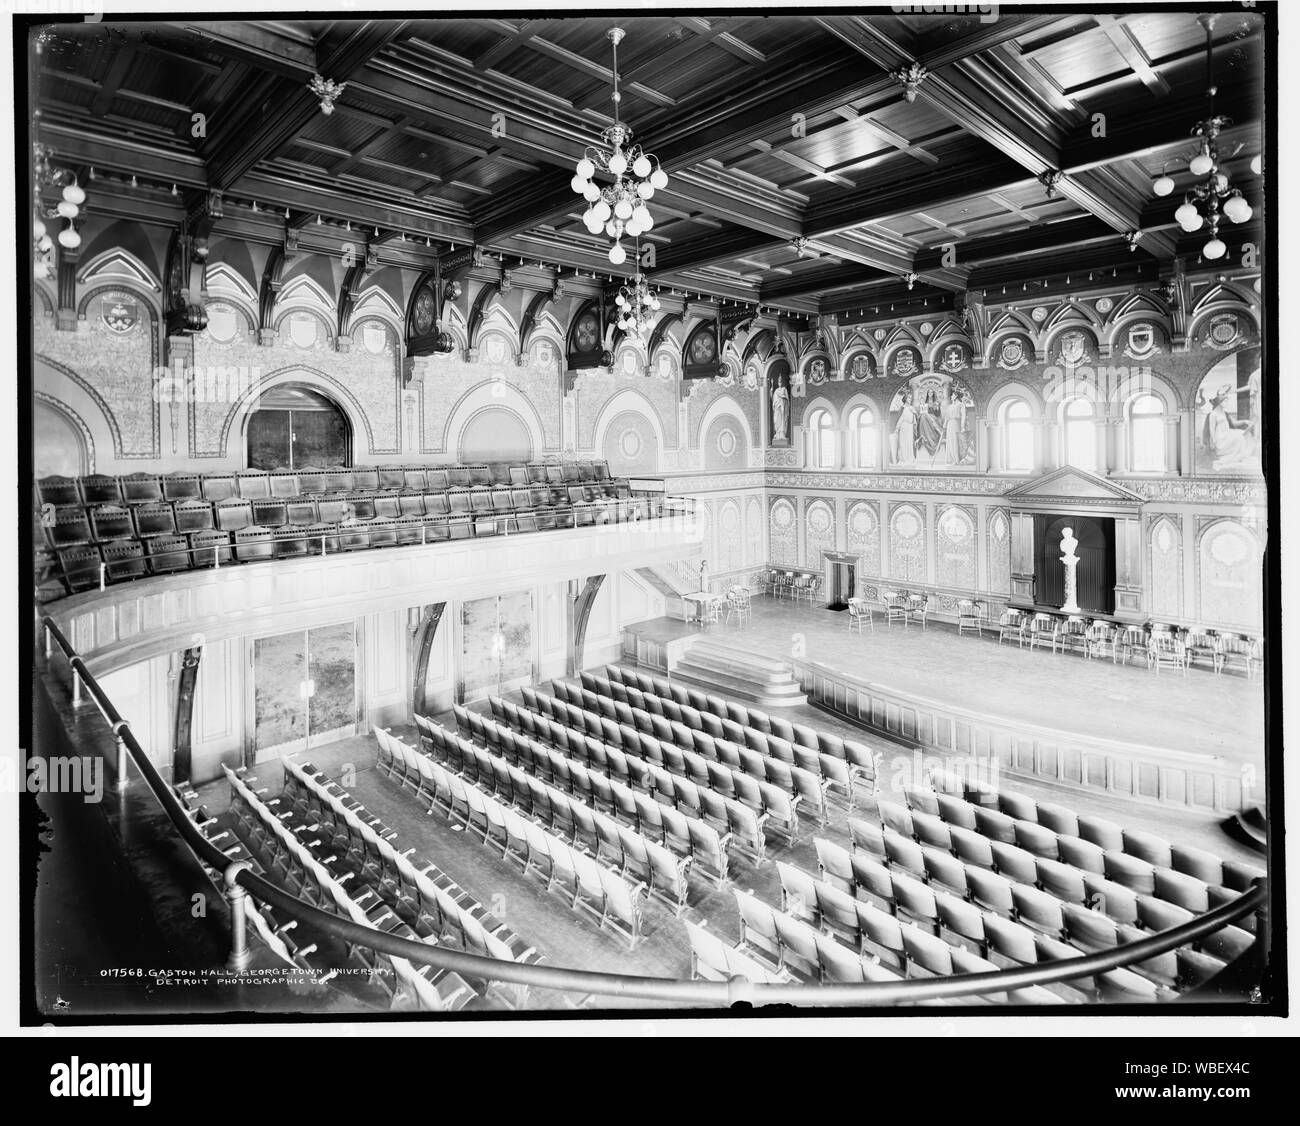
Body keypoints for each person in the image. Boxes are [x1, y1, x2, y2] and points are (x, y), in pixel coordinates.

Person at [1201, 385, 1256, 470]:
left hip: (1227, 434)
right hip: (1220, 439)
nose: (1227, 403)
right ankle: (1235, 456)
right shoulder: (1213, 414)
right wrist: (1213, 442)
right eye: (1225, 401)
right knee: (1239, 437)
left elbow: (1234, 423)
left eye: (1227, 401)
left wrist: (1245, 421)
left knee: (1245, 434)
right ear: (1220, 402)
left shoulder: (1225, 413)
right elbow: (1212, 429)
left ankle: (1241, 455)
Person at [942, 384, 968, 464]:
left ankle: (956, 459)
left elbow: (963, 416)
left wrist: (962, 427)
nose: (951, 396)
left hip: (956, 423)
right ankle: (950, 459)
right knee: (950, 440)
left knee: (955, 441)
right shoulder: (950, 406)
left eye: (952, 395)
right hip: (950, 424)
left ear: (956, 396)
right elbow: (947, 416)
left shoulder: (961, 404)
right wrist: (945, 425)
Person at [894, 390, 916, 464]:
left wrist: (914, 413)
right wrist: (897, 428)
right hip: (904, 426)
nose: (910, 399)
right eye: (909, 398)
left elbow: (915, 418)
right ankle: (904, 458)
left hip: (910, 426)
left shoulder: (912, 408)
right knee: (903, 442)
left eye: (911, 398)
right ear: (906, 399)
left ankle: (910, 458)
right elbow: (900, 418)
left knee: (909, 442)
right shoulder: (902, 408)